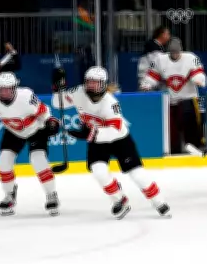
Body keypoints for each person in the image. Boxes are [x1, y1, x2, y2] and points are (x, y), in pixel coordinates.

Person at [51, 66, 171, 219]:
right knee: (98, 171)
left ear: (104, 84)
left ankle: (158, 201)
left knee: (137, 174)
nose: (91, 86)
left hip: (120, 140)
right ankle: (119, 200)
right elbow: (58, 103)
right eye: (89, 82)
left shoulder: (110, 103)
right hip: (96, 140)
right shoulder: (78, 92)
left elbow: (115, 129)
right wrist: (57, 88)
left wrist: (91, 133)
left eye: (96, 82)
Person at [0, 72, 61, 215]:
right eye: (1, 89)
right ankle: (9, 195)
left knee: (38, 160)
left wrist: (50, 121)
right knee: (4, 160)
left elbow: (44, 112)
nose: (4, 92)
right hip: (13, 132)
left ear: (15, 88)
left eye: (8, 89)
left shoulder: (26, 96)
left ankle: (51, 194)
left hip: (36, 130)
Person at [140, 37, 207, 156]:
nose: (175, 54)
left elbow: (200, 74)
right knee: (170, 129)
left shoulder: (191, 58)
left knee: (191, 123)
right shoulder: (160, 59)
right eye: (173, 52)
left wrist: (199, 79)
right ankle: (174, 150)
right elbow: (152, 76)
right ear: (168, 51)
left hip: (189, 99)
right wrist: (147, 84)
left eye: (177, 52)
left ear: (181, 50)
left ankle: (195, 147)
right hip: (169, 100)